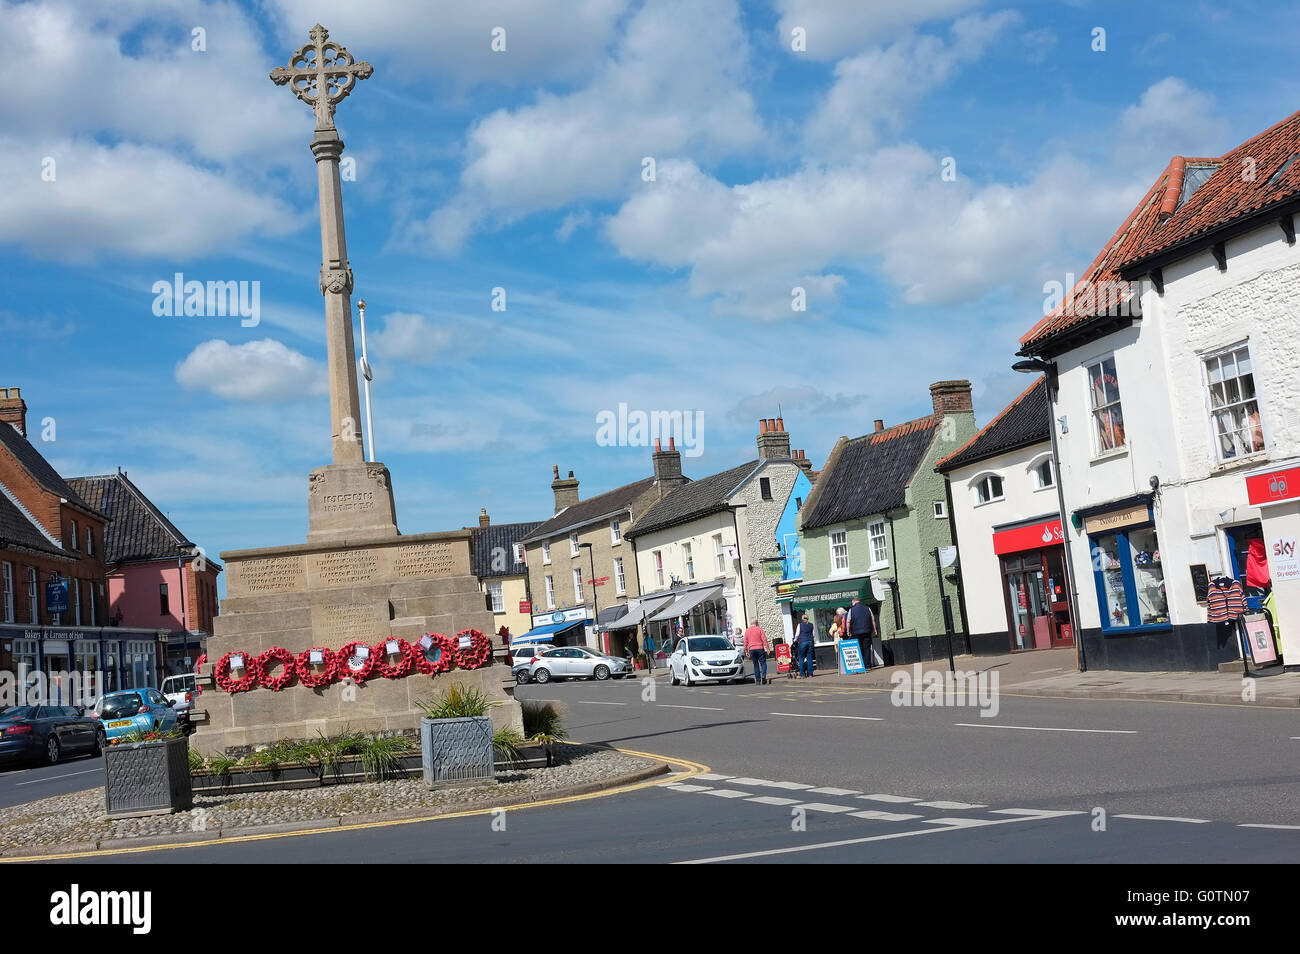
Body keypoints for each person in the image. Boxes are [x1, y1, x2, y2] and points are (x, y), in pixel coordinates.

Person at [847, 596, 878, 669]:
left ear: (854, 602)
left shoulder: (851, 610)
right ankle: (867, 666)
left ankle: (860, 666)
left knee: (858, 648)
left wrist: (848, 631)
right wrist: (875, 630)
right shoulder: (868, 608)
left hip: (855, 633)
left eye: (852, 603)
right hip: (867, 631)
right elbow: (873, 620)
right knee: (866, 648)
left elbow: (848, 622)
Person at [742, 618, 771, 685]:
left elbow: (745, 642)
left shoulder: (747, 631)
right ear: (756, 623)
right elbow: (764, 639)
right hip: (760, 648)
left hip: (752, 649)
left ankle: (758, 680)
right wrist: (768, 649)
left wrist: (746, 651)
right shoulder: (759, 629)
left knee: (755, 665)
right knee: (763, 663)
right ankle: (763, 676)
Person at [795, 611, 815, 679]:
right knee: (809, 658)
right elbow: (813, 634)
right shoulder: (811, 625)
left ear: (802, 619)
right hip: (810, 642)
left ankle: (802, 674)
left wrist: (795, 640)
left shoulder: (800, 625)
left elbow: (797, 634)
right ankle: (810, 674)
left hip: (802, 641)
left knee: (801, 658)